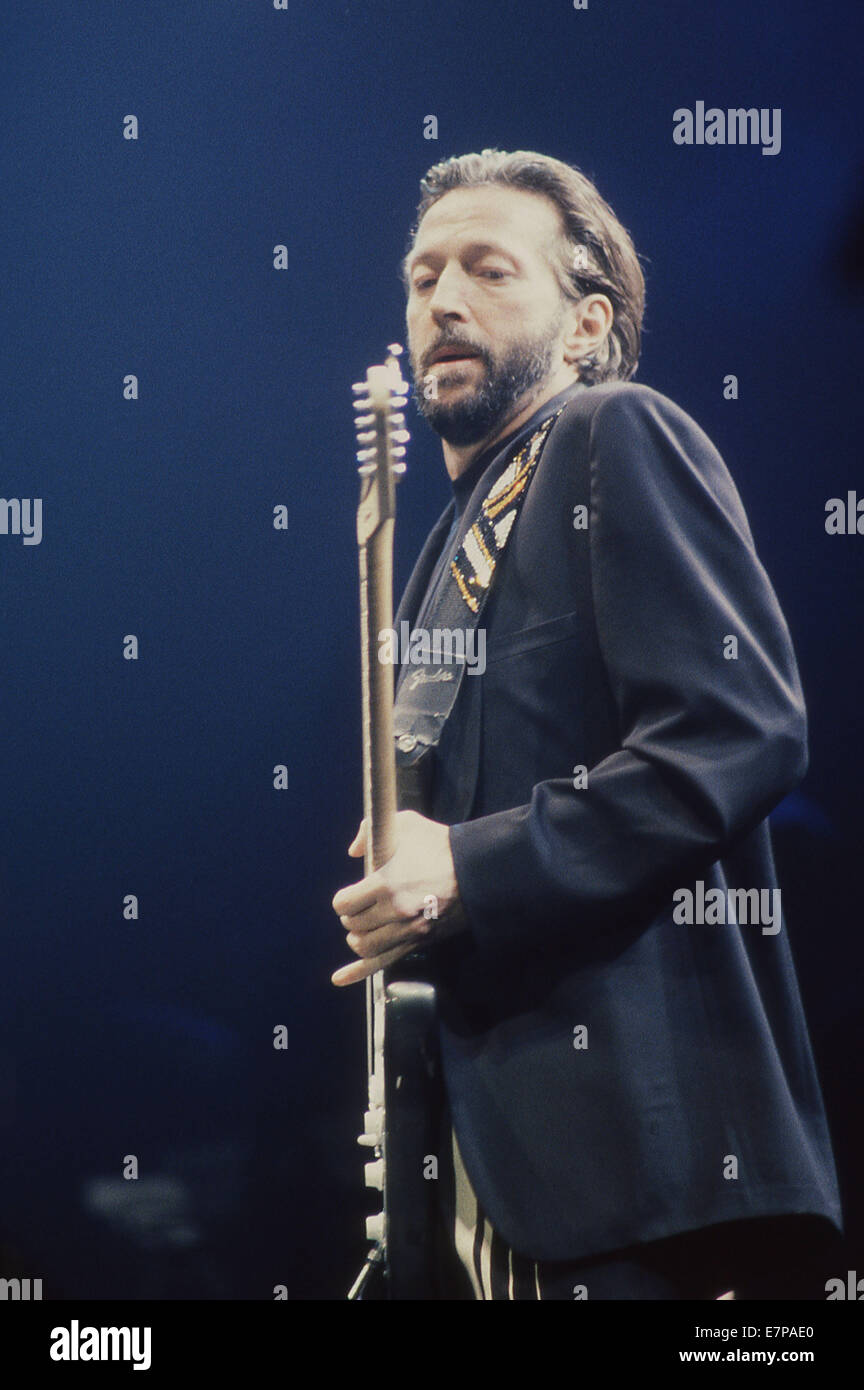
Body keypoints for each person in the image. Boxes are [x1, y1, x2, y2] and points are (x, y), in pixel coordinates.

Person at [331, 149, 843, 1300]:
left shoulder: (618, 434)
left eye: (487, 270)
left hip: (630, 1176)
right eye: (420, 278)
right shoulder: (441, 543)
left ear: (585, 323)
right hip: (478, 1182)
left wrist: (470, 861)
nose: (441, 300)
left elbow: (741, 725)